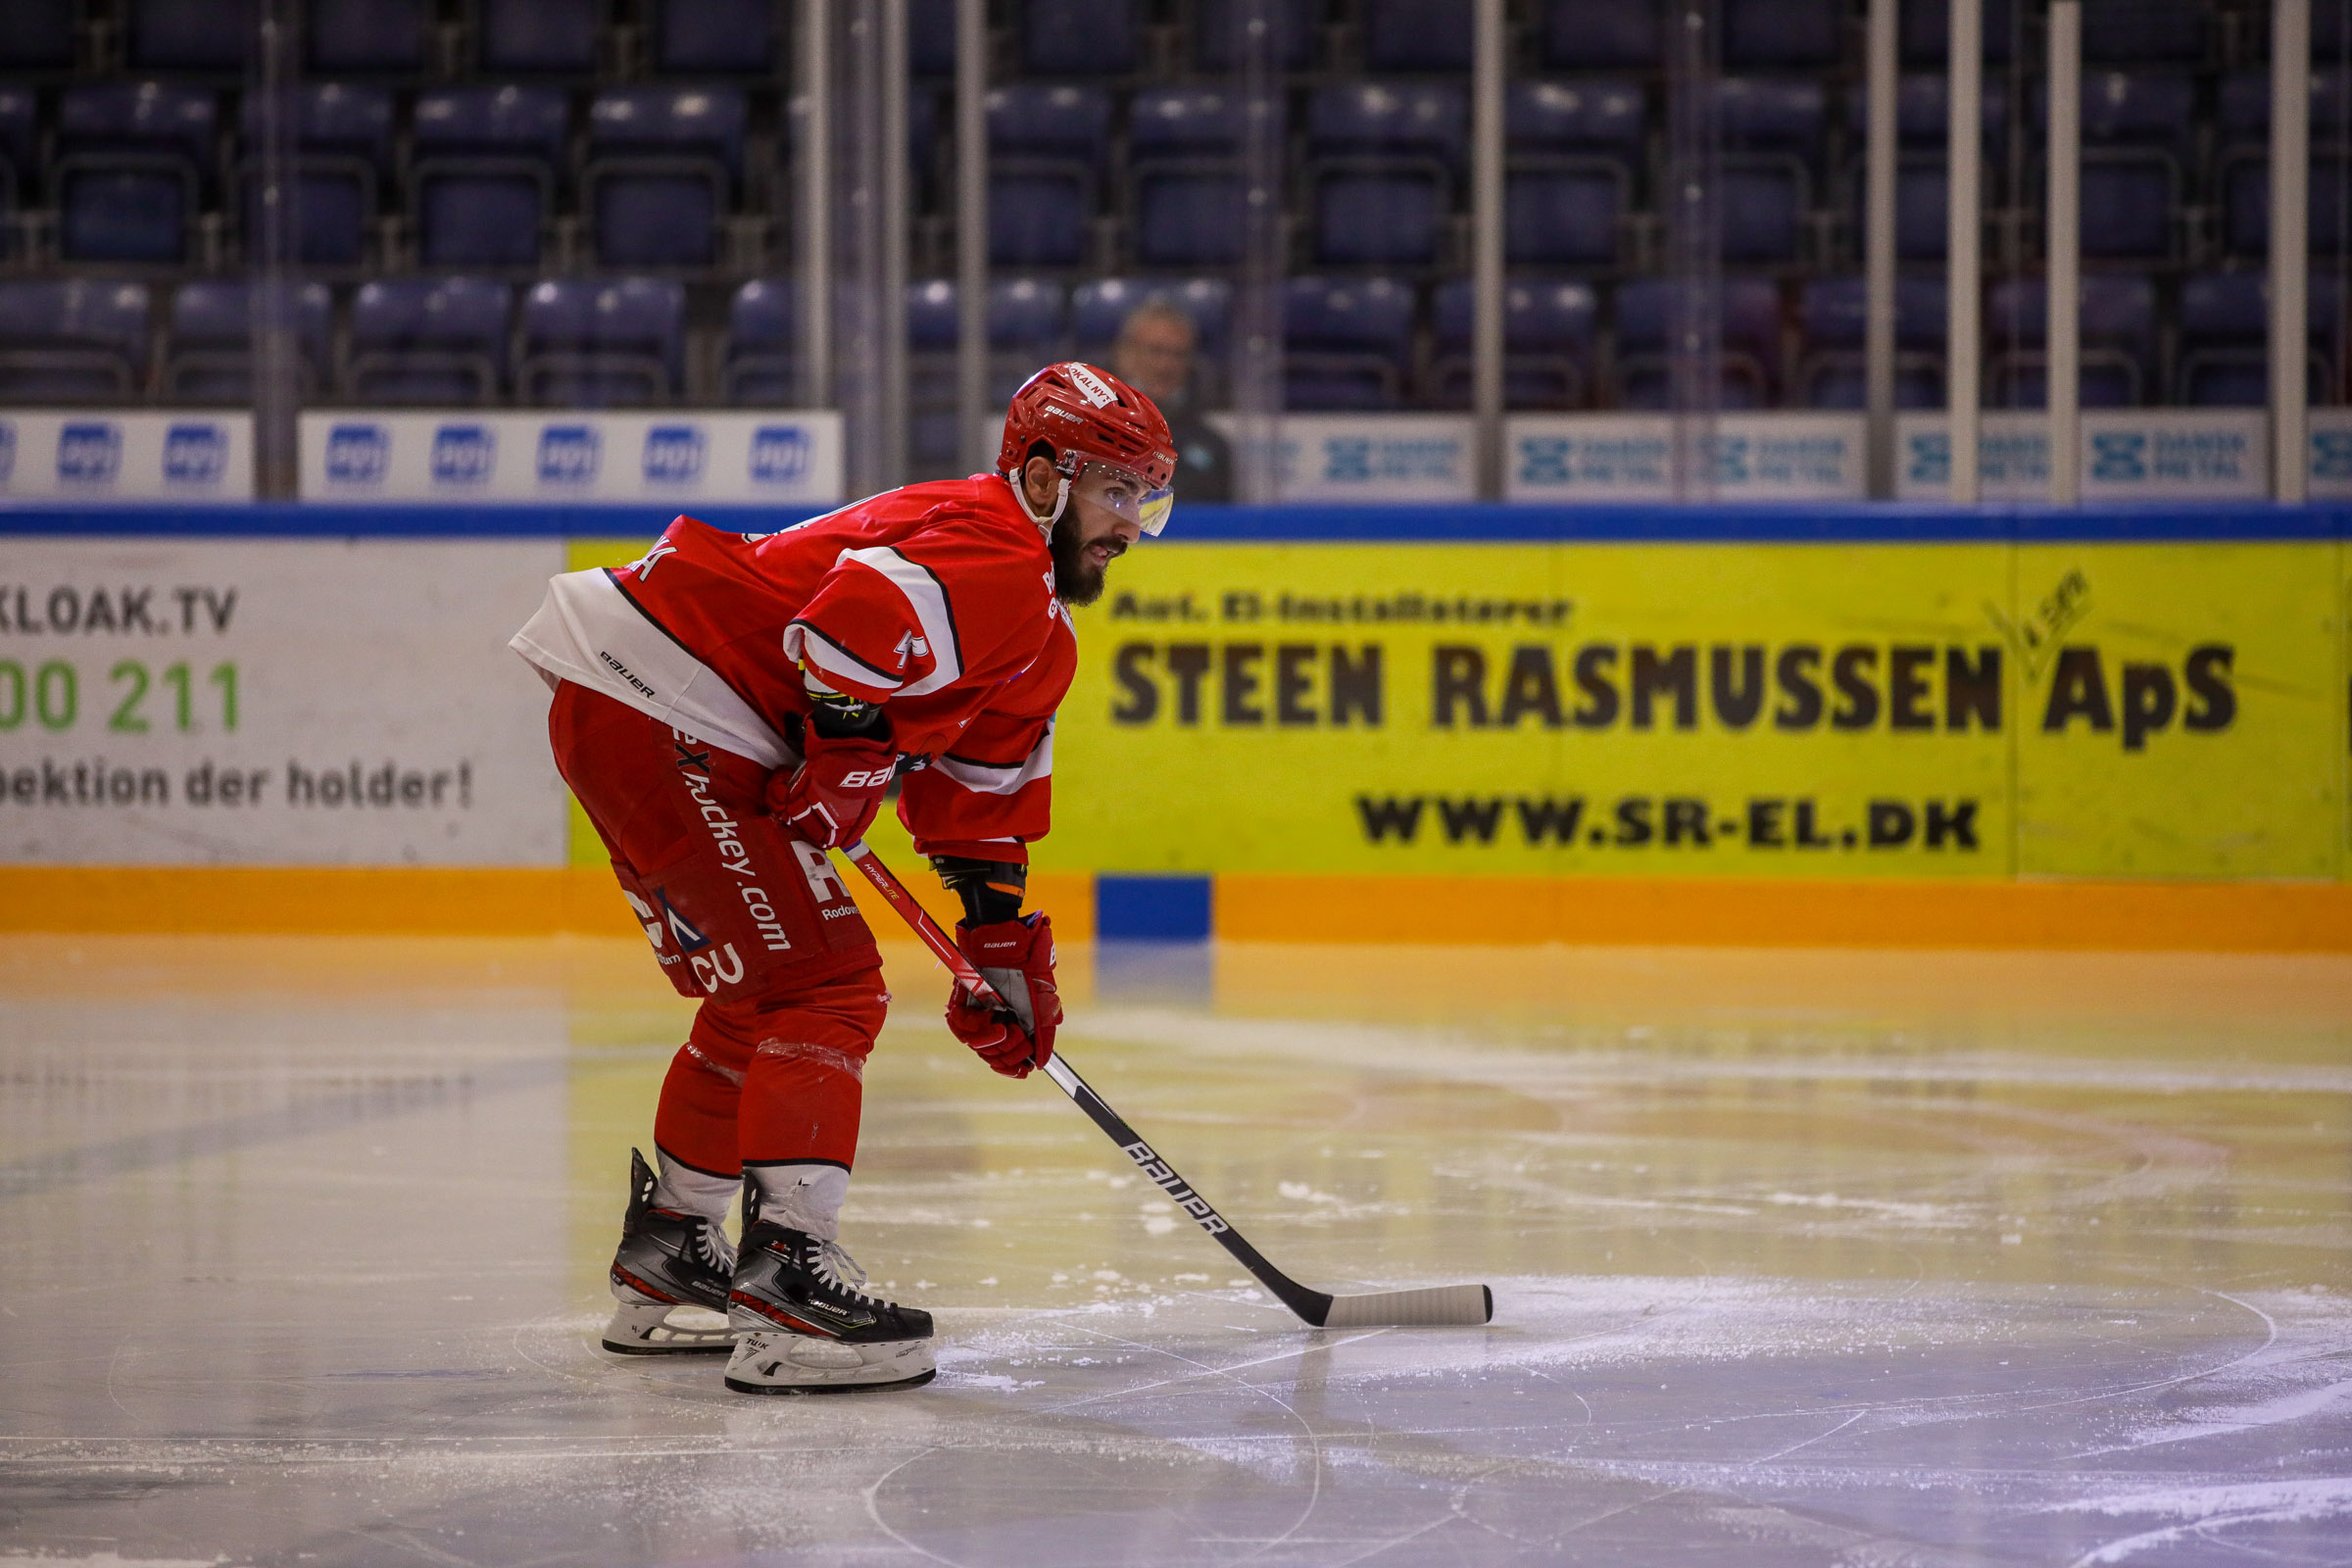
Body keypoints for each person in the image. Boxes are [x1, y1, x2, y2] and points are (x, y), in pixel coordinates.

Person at [509, 363, 1178, 1395]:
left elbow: (977, 801)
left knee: (766, 995)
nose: (1132, 523)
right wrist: (846, 757)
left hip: (646, 694)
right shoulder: (998, 544)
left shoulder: (1040, 626)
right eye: (1116, 491)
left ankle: (673, 1254)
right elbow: (851, 621)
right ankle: (787, 1282)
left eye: (1148, 498)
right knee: (824, 988)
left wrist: (996, 946)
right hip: (670, 694)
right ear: (1044, 475)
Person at [1112, 297, 1232, 503]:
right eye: (1155, 351)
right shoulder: (1093, 430)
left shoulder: (1212, 444)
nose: (1165, 366)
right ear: (1125, 354)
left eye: (1178, 355)